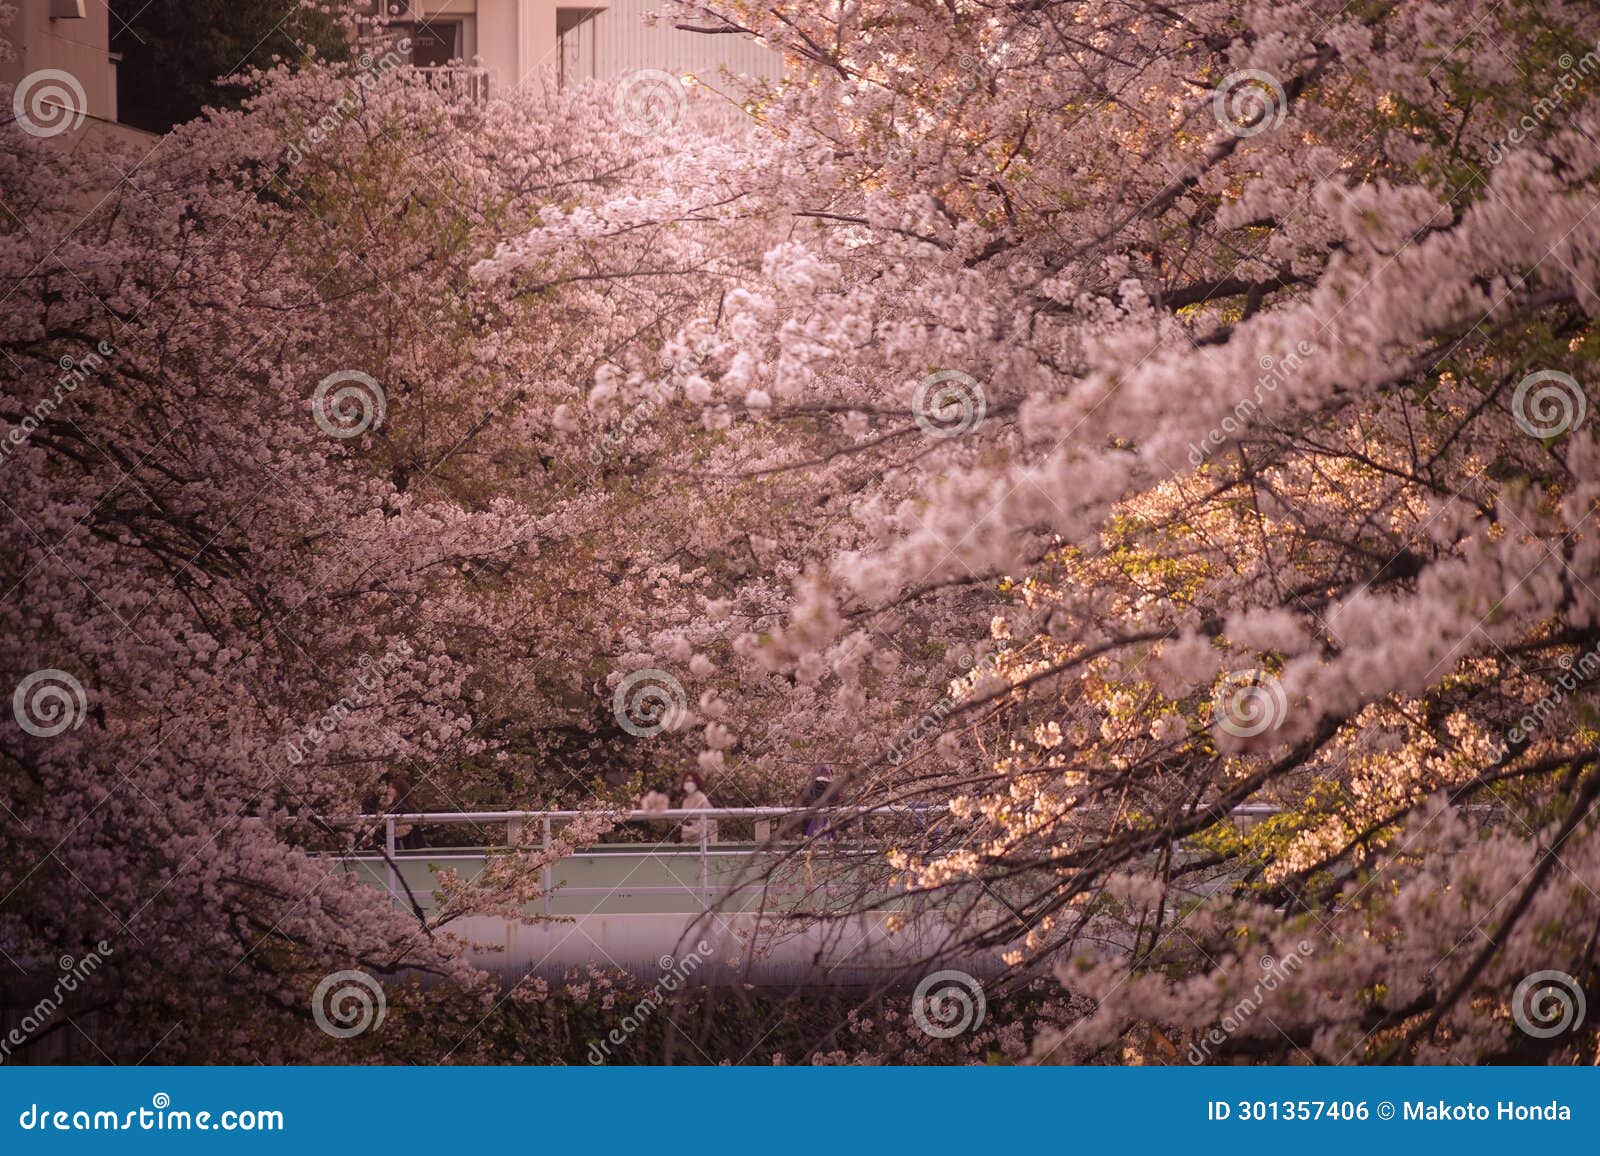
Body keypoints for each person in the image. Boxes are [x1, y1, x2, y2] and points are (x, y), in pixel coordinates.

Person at [794, 767, 836, 840]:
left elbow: (796, 808)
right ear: (828, 774)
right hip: (832, 828)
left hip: (808, 830)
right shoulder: (835, 790)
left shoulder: (806, 790)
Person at [678, 772, 717, 845]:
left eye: (692, 781)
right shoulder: (685, 801)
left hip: (702, 841)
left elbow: (710, 822)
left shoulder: (701, 798)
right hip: (688, 841)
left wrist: (687, 830)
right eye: (687, 781)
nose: (689, 783)